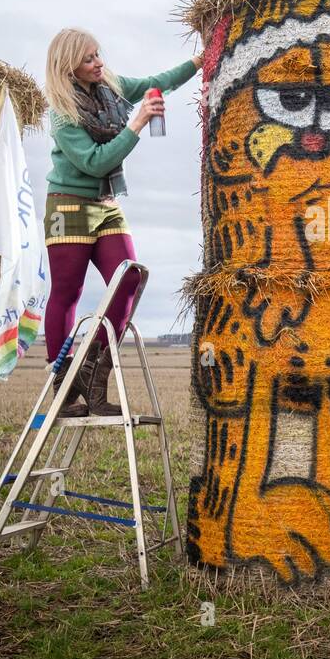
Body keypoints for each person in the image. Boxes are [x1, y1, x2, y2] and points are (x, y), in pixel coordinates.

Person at [42, 28, 202, 416]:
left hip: (106, 203)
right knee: (68, 291)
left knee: (129, 278)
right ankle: (63, 388)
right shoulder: (63, 114)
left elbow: (154, 83)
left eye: (98, 54)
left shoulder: (110, 86)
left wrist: (199, 61)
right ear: (69, 67)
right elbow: (96, 161)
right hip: (68, 207)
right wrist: (137, 124)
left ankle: (93, 370)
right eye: (89, 59)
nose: (99, 63)